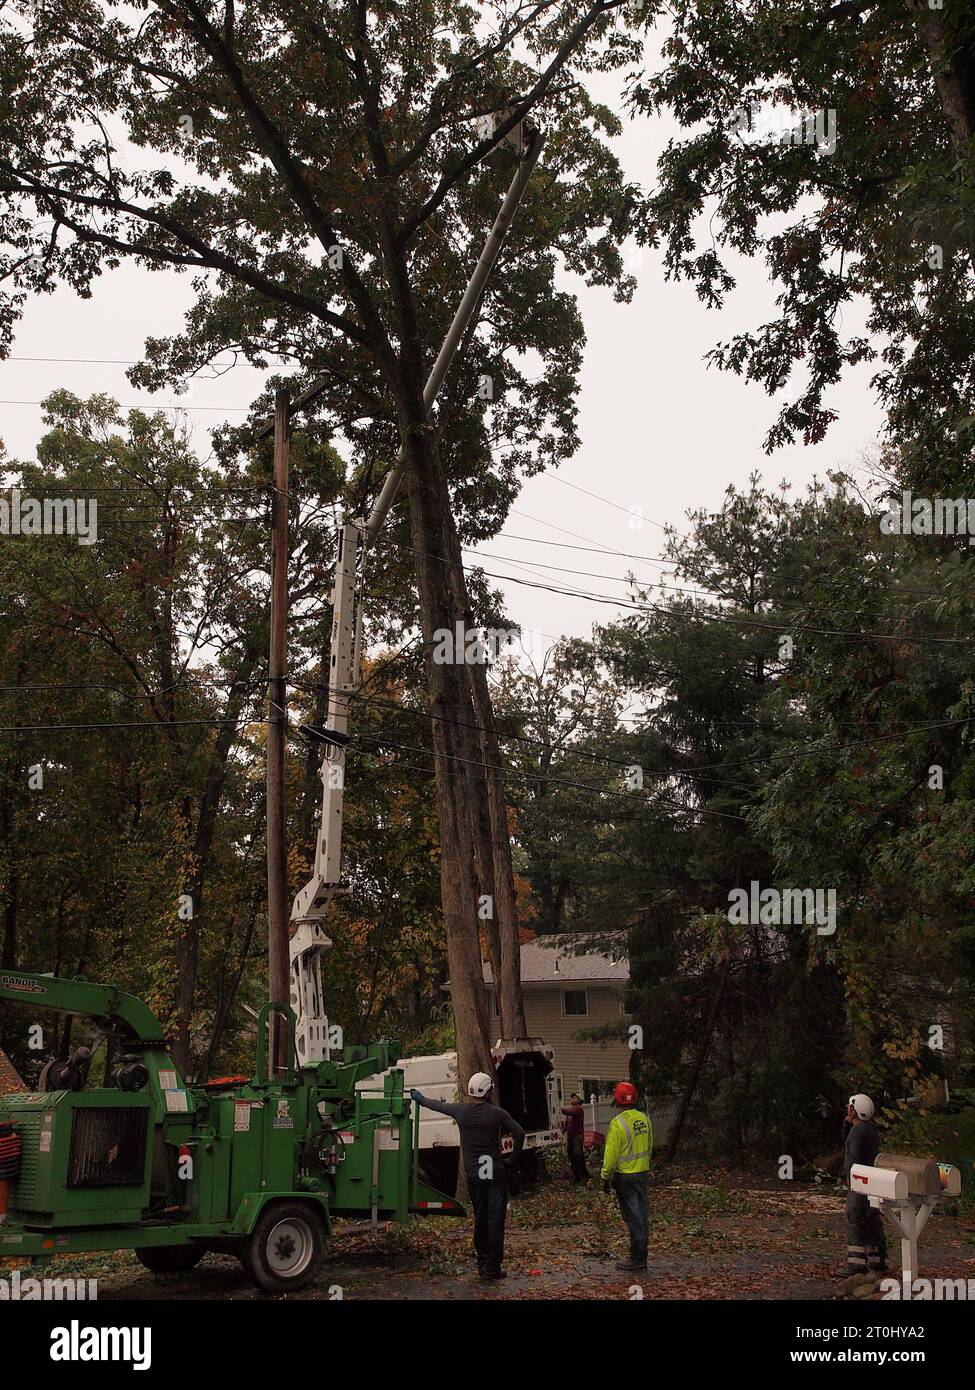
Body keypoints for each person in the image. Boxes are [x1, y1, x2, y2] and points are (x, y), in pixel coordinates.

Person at [411, 1071, 524, 1280]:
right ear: (487, 1091)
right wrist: (512, 1161)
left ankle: (482, 1264)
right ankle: (493, 1267)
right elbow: (519, 1133)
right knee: (495, 1219)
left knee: (481, 1218)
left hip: (474, 1175)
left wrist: (420, 1098)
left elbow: (437, 1105)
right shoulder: (497, 1113)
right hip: (495, 1173)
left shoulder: (461, 1111)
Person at [600, 1081, 652, 1272]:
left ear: (617, 1099)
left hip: (625, 1177)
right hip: (641, 1173)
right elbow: (649, 1144)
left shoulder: (618, 1123)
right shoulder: (644, 1119)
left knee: (633, 1217)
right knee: (642, 1215)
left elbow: (610, 1155)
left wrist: (605, 1177)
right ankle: (641, 1254)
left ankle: (637, 1257)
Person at [842, 1092, 887, 1276]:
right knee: (871, 1218)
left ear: (854, 1110)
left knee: (855, 1218)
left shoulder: (858, 1131)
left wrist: (848, 1176)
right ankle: (878, 1260)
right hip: (872, 1180)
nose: (847, 1109)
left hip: (860, 1181)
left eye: (849, 1107)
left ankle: (856, 1264)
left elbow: (851, 1155)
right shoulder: (870, 1129)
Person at [561, 1092, 588, 1183]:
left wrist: (558, 1108)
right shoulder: (572, 1110)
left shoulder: (578, 1109)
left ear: (579, 1101)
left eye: (574, 1097)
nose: (572, 1098)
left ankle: (583, 1175)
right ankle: (577, 1176)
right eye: (572, 1097)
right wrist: (563, 1130)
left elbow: (566, 1112)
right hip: (571, 1136)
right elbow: (567, 1123)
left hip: (577, 1136)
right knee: (572, 1156)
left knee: (577, 1156)